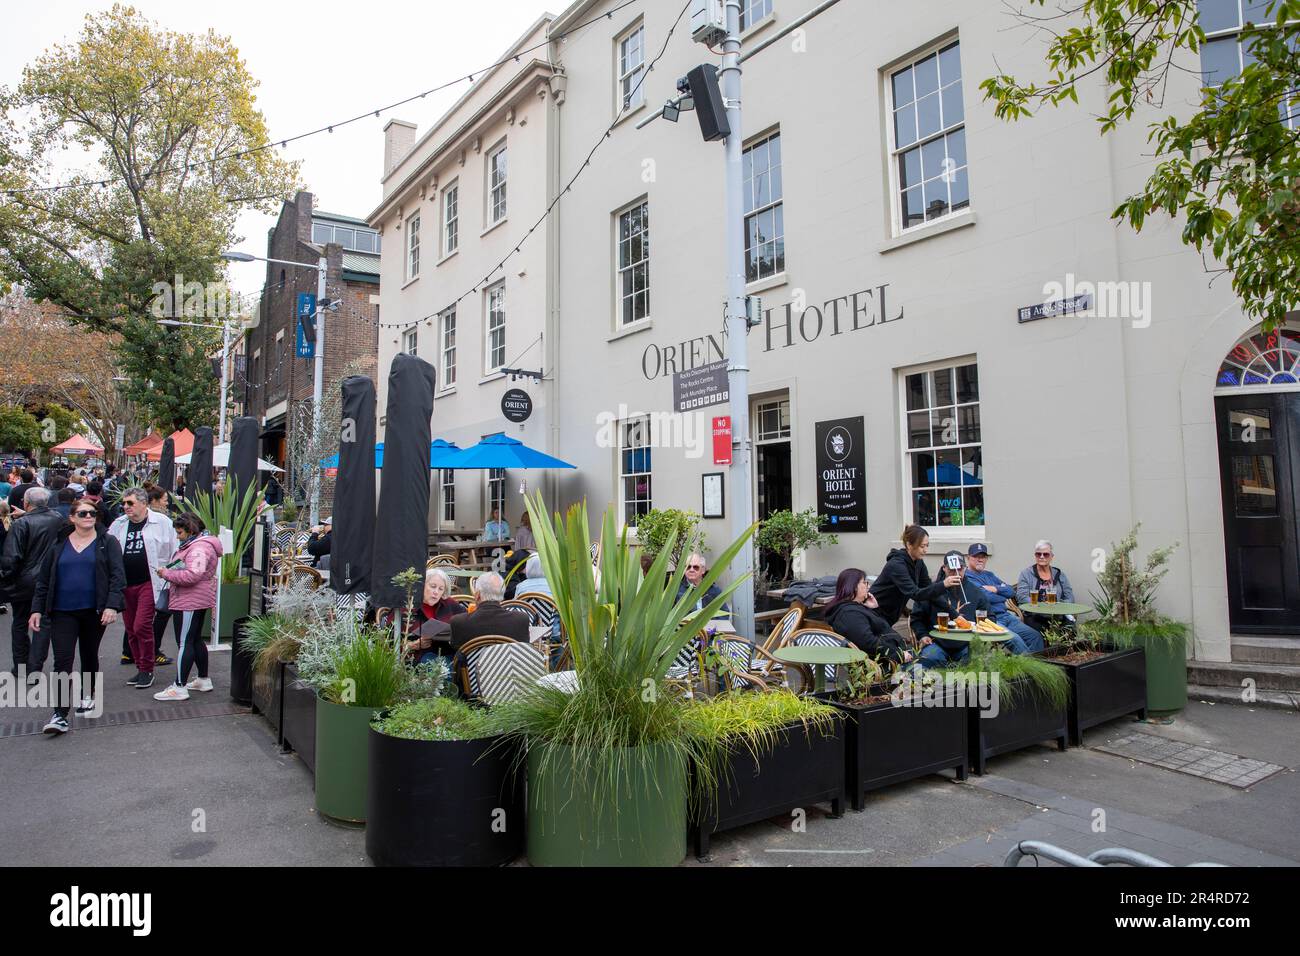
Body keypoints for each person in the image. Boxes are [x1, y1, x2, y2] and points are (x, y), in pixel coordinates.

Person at [29, 500, 125, 734]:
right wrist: (36, 609)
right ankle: (59, 714)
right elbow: (43, 581)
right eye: (83, 513)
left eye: (93, 513)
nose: (89, 516)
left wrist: (112, 606)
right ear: (72, 518)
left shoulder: (107, 542)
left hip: (94, 611)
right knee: (62, 660)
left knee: (89, 654)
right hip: (62, 612)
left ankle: (88, 694)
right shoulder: (58, 545)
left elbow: (117, 576)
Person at [108, 487, 179, 690]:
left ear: (143, 503)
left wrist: (168, 572)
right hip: (125, 584)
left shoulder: (162, 522)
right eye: (124, 503)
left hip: (150, 581)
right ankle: (140, 668)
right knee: (131, 629)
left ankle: (147, 668)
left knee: (142, 626)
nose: (125, 507)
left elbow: (174, 549)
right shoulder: (119, 524)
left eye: (130, 503)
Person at [152, 513, 223, 701]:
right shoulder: (202, 545)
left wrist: (166, 573)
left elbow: (192, 575)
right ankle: (202, 679)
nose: (178, 536)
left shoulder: (198, 548)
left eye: (180, 532)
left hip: (189, 600)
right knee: (194, 639)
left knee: (185, 642)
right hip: (196, 598)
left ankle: (179, 686)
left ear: (190, 530)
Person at [1, 488, 65, 679]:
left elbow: (11, 557)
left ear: (26, 503)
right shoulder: (59, 520)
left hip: (25, 580)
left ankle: (21, 666)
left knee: (20, 622)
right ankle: (35, 665)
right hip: (51, 578)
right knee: (43, 622)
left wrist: (5, 576)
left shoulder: (21, 524)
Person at [909, 550, 999, 668]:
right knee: (927, 660)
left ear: (965, 568)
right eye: (952, 569)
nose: (956, 573)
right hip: (936, 643)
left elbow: (989, 617)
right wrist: (922, 635)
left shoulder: (976, 592)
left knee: (980, 663)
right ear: (944, 568)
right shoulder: (932, 590)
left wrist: (981, 639)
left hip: (966, 645)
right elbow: (917, 618)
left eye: (960, 568)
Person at [963, 544, 1045, 653]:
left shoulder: (990, 575)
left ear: (986, 559)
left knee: (1035, 636)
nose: (980, 559)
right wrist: (1001, 594)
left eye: (982, 557)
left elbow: (1010, 591)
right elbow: (985, 597)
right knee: (1015, 639)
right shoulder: (967, 577)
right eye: (975, 556)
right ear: (968, 558)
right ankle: (1031, 668)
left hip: (1006, 616)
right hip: (988, 620)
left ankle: (1036, 666)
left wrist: (993, 589)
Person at [824, 568, 913, 666]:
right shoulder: (849, 614)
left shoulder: (855, 607)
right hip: (887, 665)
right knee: (922, 669)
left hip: (895, 656)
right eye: (865, 583)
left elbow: (883, 628)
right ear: (854, 587)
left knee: (924, 665)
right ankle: (914, 679)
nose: (868, 586)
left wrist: (875, 608)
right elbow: (868, 642)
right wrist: (898, 655)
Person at [867, 525, 951, 628]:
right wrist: (944, 584)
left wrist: (954, 615)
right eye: (922, 546)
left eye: (927, 545)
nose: (925, 550)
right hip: (873, 613)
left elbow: (929, 591)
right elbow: (915, 594)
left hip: (889, 617)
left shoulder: (918, 563)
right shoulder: (897, 565)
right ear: (909, 545)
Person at [448, 572, 530, 651]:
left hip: (472, 665)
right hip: (509, 665)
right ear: (502, 595)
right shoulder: (520, 620)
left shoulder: (459, 622)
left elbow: (456, 653)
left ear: (477, 595)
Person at [402, 568, 467, 666]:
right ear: (423, 585)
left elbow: (466, 620)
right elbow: (388, 644)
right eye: (433, 587)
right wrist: (413, 645)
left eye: (441, 589)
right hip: (418, 658)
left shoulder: (449, 604)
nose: (436, 592)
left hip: (449, 653)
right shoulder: (408, 606)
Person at [1016, 540, 1077, 634]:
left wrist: (1060, 607)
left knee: (1070, 629)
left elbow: (1069, 596)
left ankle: (1065, 649)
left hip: (1057, 615)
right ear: (1035, 556)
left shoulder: (1059, 575)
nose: (1041, 557)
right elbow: (1022, 597)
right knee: (1038, 632)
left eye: (1046, 554)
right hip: (1035, 615)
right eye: (1038, 554)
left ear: (1052, 556)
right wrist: (1042, 607)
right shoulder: (1026, 574)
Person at [676, 552, 729, 617]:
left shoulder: (714, 590)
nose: (691, 570)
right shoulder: (676, 591)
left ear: (703, 570)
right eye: (688, 567)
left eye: (696, 567)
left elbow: (725, 614)